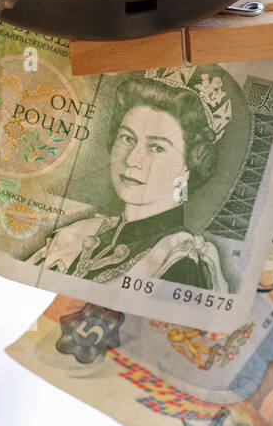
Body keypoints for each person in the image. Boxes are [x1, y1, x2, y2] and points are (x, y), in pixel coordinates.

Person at [33, 71, 231, 289]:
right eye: (127, 138)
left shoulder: (180, 260)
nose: (132, 159)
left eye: (157, 148)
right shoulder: (76, 233)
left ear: (189, 164)